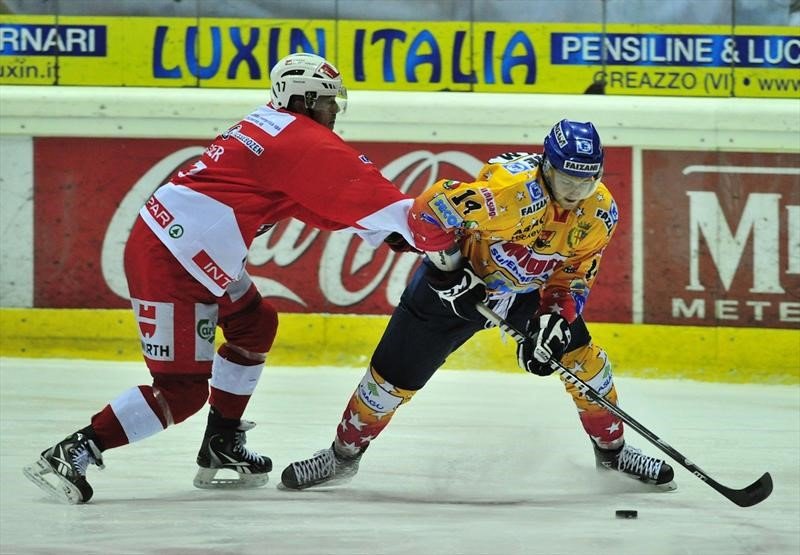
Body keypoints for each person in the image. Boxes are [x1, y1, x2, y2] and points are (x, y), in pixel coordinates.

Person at [22, 52, 455, 504]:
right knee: (181, 392)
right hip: (173, 261)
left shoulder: (272, 127)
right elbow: (378, 199)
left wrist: (385, 231)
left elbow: (314, 204)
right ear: (305, 101)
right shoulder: (300, 140)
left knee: (254, 324)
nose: (333, 114)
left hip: (188, 246)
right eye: (328, 103)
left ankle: (221, 444)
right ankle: (76, 449)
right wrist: (424, 229)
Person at [280, 119, 677, 492]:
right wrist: (449, 272)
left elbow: (575, 273)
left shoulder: (599, 213)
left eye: (585, 182)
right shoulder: (509, 196)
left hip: (525, 293)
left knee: (585, 363)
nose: (575, 193)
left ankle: (612, 454)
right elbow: (426, 211)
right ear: (546, 167)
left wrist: (555, 317)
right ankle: (341, 458)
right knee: (387, 383)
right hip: (452, 292)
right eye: (567, 180)